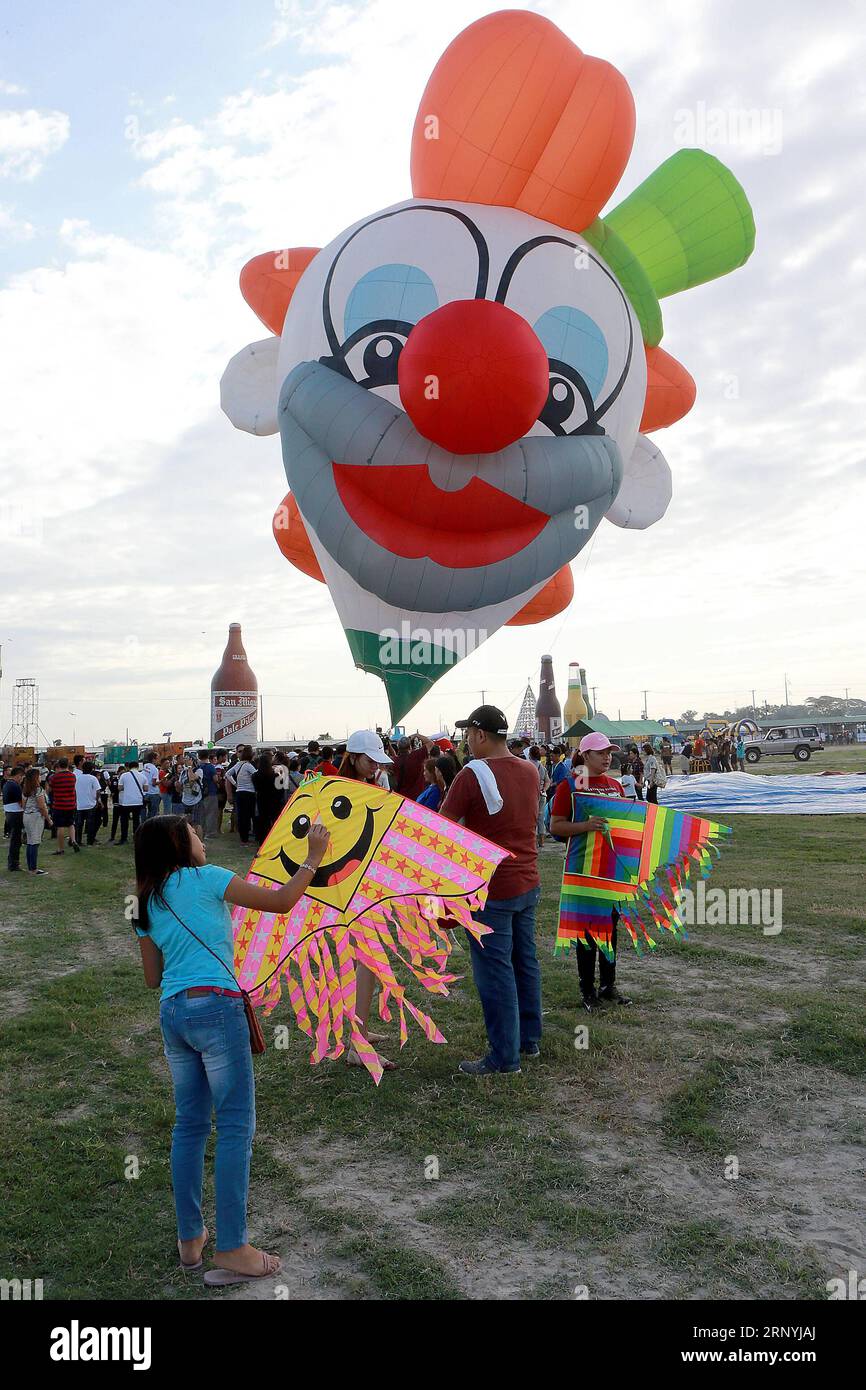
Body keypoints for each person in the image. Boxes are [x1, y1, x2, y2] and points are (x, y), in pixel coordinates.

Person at [134, 813, 330, 1283]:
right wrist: (313, 859)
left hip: (173, 1014)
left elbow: (152, 977)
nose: (202, 837)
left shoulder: (142, 901)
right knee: (236, 1124)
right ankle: (234, 1248)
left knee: (190, 1125)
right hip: (217, 1009)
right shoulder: (209, 878)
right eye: (194, 833)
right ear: (180, 845)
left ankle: (190, 1241)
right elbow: (282, 902)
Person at [439, 705, 542, 1075]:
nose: (466, 741)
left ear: (481, 735)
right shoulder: (530, 770)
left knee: (494, 972)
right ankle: (529, 1040)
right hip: (527, 881)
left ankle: (504, 1057)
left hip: (490, 889)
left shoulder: (471, 774)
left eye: (469, 734)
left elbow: (443, 828)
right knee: (524, 962)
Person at [549, 732, 631, 1011]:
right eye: (600, 752)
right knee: (586, 932)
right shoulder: (571, 785)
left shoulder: (614, 786)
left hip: (612, 868)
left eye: (609, 752)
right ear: (585, 755)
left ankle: (609, 985)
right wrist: (586, 826)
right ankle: (588, 990)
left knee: (610, 928)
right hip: (583, 868)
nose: (607, 757)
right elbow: (556, 826)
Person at [337, 731, 397, 1066]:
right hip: (356, 888)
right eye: (369, 760)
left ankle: (359, 1029)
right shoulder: (340, 793)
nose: (375, 766)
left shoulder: (367, 789)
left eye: (378, 761)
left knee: (367, 962)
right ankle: (357, 1044)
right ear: (354, 757)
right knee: (368, 959)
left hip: (369, 885)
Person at [22, 767, 52, 874]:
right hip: (35, 817)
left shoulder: (26, 789)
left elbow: (23, 805)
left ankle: (30, 867)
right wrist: (49, 819)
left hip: (27, 816)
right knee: (35, 842)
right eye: (39, 775)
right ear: (35, 777)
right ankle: (33, 869)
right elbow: (41, 806)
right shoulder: (38, 790)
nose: (40, 777)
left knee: (30, 841)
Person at [49, 757, 80, 855]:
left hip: (59, 805)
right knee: (71, 824)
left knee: (60, 826)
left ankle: (60, 848)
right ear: (68, 764)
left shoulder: (54, 777)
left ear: (59, 765)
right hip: (71, 804)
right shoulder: (72, 776)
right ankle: (74, 841)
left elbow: (50, 789)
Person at [226, 746, 257, 846]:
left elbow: (227, 774)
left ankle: (243, 839)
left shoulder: (238, 764)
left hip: (239, 792)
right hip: (249, 793)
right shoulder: (248, 765)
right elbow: (257, 775)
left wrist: (235, 784)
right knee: (250, 815)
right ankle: (248, 838)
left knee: (242, 816)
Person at [252, 752, 282, 844]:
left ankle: (262, 841)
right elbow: (280, 789)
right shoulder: (275, 776)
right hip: (274, 800)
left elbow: (256, 788)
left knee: (263, 821)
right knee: (274, 820)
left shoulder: (255, 776)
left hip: (261, 799)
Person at [116, 760, 147, 845]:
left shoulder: (124, 776)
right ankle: (136, 838)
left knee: (124, 821)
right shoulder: (142, 776)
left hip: (126, 801)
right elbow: (146, 789)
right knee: (136, 821)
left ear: (129, 767)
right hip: (138, 801)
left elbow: (119, 788)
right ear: (137, 767)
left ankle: (124, 838)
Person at [528, 745, 551, 848]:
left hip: (530, 795)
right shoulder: (542, 766)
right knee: (540, 818)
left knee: (530, 817)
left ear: (529, 754)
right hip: (541, 794)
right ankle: (541, 841)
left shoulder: (526, 765)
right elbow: (548, 781)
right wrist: (543, 789)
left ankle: (531, 840)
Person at [75, 759, 103, 845]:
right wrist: (97, 800)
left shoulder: (77, 778)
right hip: (90, 804)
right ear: (92, 769)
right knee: (90, 824)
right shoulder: (93, 778)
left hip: (79, 804)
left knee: (79, 824)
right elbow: (98, 791)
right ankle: (90, 841)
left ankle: (78, 840)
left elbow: (74, 791)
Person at [3, 764, 25, 871]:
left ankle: (12, 862)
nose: (22, 779)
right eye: (21, 777)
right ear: (18, 775)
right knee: (16, 840)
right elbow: (21, 803)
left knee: (15, 839)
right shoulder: (15, 786)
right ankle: (13, 864)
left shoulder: (7, 784)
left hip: (9, 813)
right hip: (15, 814)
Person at [197, 751, 220, 840]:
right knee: (211, 814)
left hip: (201, 793)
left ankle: (202, 831)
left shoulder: (198, 767)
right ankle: (210, 833)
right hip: (211, 792)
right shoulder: (210, 767)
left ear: (199, 757)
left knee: (202, 814)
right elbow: (215, 779)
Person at [142, 753, 162, 821]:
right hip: (153, 793)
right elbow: (154, 783)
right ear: (153, 759)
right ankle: (150, 825)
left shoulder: (145, 766)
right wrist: (161, 781)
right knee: (153, 813)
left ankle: (143, 824)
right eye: (157, 758)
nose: (158, 760)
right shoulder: (155, 769)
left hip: (145, 792)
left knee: (143, 811)